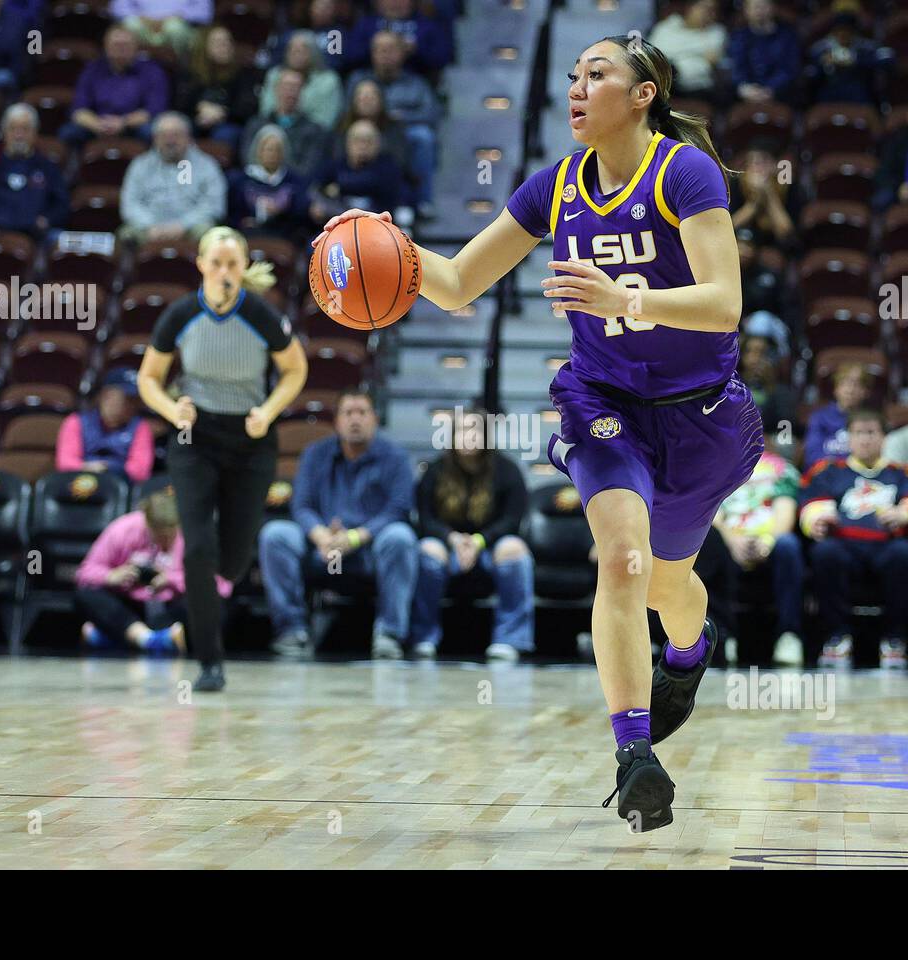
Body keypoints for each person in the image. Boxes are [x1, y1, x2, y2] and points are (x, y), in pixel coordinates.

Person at [313, 35, 764, 831]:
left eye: (598, 75)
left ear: (644, 94)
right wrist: (388, 244)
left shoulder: (682, 173)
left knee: (668, 587)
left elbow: (724, 302)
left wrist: (625, 296)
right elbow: (454, 286)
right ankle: (635, 758)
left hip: (699, 414)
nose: (578, 89)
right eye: (572, 76)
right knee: (621, 559)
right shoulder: (555, 187)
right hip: (604, 403)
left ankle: (692, 653)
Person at [137, 226, 309, 692]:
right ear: (201, 265)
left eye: (233, 264)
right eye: (216, 263)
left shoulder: (260, 314)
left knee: (231, 560)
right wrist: (173, 409)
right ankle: (209, 660)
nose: (225, 272)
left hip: (251, 438)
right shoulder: (180, 314)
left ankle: (216, 559)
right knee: (196, 549)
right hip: (195, 435)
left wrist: (268, 411)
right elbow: (148, 378)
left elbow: (296, 369)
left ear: (243, 268)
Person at [257, 391, 418, 659]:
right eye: (348, 413)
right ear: (337, 421)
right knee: (276, 535)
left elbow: (397, 510)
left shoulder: (395, 458)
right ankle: (291, 631)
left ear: (375, 419)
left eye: (362, 412)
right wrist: (321, 536)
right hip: (321, 548)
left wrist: (354, 538)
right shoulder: (314, 454)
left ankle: (390, 634)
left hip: (368, 548)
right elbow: (302, 506)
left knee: (401, 537)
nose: (355, 419)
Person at [799, 408, 908, 669]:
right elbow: (811, 505)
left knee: (905, 553)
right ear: (849, 437)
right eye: (858, 433)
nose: (865, 439)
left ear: (884, 438)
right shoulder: (828, 470)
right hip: (844, 545)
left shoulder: (901, 472)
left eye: (871, 433)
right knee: (825, 553)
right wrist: (815, 520)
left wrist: (906, 514)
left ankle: (894, 639)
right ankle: (837, 636)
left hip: (886, 545)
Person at [411, 411, 534, 661]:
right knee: (427, 550)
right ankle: (423, 636)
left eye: (475, 430)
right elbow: (425, 519)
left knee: (515, 549)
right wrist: (453, 539)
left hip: (490, 549)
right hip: (448, 548)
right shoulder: (435, 471)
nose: (469, 436)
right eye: (463, 430)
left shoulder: (507, 470)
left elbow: (512, 520)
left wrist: (478, 542)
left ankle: (510, 638)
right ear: (453, 437)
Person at [75, 487, 218, 654]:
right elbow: (84, 572)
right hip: (130, 607)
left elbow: (219, 583)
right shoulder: (122, 529)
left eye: (170, 535)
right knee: (86, 595)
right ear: (147, 522)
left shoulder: (192, 534)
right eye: (159, 535)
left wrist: (171, 579)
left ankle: (119, 638)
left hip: (170, 609)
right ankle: (149, 639)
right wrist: (112, 576)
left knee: (209, 602)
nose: (164, 541)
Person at [713, 447, 804, 666]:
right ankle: (723, 636)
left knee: (788, 545)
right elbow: (710, 513)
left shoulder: (782, 469)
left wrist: (767, 543)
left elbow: (786, 511)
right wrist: (733, 542)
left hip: (769, 540)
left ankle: (788, 636)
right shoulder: (717, 465)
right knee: (709, 543)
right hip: (731, 539)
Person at [344, 30, 440, 212]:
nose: (384, 55)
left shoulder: (416, 83)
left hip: (399, 132)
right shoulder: (358, 79)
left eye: (390, 49)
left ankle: (421, 200)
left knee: (423, 136)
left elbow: (431, 114)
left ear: (402, 52)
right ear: (372, 53)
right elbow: (346, 111)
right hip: (360, 129)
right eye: (379, 50)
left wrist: (400, 118)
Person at [0, 103, 69, 243]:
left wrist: (47, 219)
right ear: (4, 132)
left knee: (59, 239)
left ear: (35, 133)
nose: (19, 135)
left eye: (25, 129)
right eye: (13, 129)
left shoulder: (46, 165)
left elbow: (61, 203)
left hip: (34, 232)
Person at [118, 112, 227, 245]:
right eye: (164, 135)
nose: (170, 141)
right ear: (155, 139)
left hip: (191, 227)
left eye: (176, 135)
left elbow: (214, 205)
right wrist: (151, 225)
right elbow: (130, 204)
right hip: (149, 228)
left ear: (188, 137)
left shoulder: (207, 165)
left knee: (210, 235)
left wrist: (182, 225)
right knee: (126, 235)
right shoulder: (140, 165)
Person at [59, 23, 169, 147]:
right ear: (105, 47)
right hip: (98, 124)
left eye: (126, 45)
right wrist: (97, 124)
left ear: (136, 47)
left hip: (133, 126)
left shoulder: (152, 71)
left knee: (150, 131)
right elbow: (79, 109)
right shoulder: (92, 70)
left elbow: (154, 109)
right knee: (68, 132)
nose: (121, 49)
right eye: (116, 45)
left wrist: (123, 123)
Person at [56, 368, 155, 484]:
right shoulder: (76, 422)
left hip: (122, 488)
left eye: (135, 399)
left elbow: (141, 471)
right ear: (106, 395)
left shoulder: (140, 427)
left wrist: (110, 469)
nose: (132, 405)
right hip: (78, 485)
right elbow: (65, 463)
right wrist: (89, 468)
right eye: (127, 398)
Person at [175, 24, 260, 148]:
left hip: (229, 122)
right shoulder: (191, 71)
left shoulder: (243, 73)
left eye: (227, 42)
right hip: (195, 119)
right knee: (178, 128)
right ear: (205, 47)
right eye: (218, 42)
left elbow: (247, 107)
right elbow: (180, 103)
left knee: (225, 134)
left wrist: (222, 113)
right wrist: (200, 107)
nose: (224, 46)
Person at [227, 125, 316, 242]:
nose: (273, 154)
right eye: (269, 149)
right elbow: (232, 212)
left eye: (277, 150)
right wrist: (242, 222)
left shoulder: (294, 181)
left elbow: (302, 214)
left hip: (283, 234)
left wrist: (281, 212)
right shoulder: (241, 180)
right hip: (248, 233)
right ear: (258, 151)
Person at [309, 120, 406, 224]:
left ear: (378, 144)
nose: (363, 145)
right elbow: (313, 188)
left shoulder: (388, 165)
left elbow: (378, 184)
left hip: (378, 228)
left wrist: (340, 188)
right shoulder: (334, 166)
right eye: (357, 140)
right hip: (338, 229)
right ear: (347, 143)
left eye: (368, 141)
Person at [240, 68, 334, 176]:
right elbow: (248, 159)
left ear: (302, 92)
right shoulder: (256, 124)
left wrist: (280, 179)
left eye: (295, 87)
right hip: (256, 183)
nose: (290, 92)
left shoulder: (314, 130)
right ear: (276, 89)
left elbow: (308, 168)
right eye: (286, 86)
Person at [804, 8, 893, 107]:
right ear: (833, 31)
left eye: (847, 30)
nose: (843, 34)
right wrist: (821, 64)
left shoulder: (866, 47)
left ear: (854, 31)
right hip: (828, 96)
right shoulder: (820, 48)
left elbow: (888, 59)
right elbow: (808, 74)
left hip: (860, 96)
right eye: (839, 30)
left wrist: (856, 60)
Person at [646, 0, 727, 103]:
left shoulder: (717, 32)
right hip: (664, 82)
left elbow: (710, 61)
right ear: (690, 7)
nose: (709, 13)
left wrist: (678, 53)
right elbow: (653, 55)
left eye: (713, 10)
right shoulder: (666, 27)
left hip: (697, 88)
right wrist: (697, 53)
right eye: (704, 8)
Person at [265, 30, 344, 131]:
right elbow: (266, 110)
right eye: (292, 49)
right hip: (275, 132)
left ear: (314, 53)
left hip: (312, 136)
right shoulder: (274, 75)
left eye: (303, 49)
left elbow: (325, 120)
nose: (296, 53)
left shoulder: (329, 81)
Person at [727, 0, 800, 104]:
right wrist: (745, 88)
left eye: (763, 6)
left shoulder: (787, 36)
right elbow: (736, 66)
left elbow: (789, 68)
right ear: (746, 11)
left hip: (780, 91)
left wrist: (770, 89)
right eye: (755, 7)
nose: (759, 11)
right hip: (746, 91)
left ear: (773, 8)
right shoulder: (739, 36)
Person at [803, 362, 870, 469]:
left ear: (866, 392)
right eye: (845, 383)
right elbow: (811, 456)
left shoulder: (871, 421)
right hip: (826, 474)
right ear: (836, 389)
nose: (850, 390)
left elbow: (873, 458)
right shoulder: (819, 418)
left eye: (857, 385)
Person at [109, 0, 212, 59]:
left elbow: (204, 13)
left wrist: (175, 17)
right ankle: (131, 70)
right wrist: (142, 17)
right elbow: (117, 9)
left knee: (175, 28)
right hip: (142, 25)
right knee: (131, 25)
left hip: (178, 25)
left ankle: (183, 69)